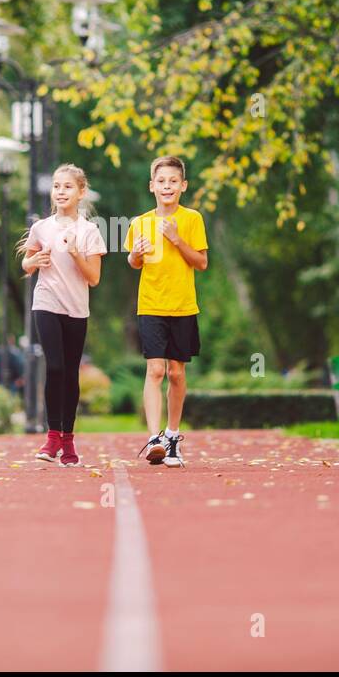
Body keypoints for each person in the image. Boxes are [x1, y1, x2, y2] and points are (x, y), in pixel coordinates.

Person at [20, 163, 108, 467]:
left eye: (67, 186)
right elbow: (26, 264)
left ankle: (68, 439)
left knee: (71, 373)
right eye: (56, 186)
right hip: (46, 303)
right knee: (55, 367)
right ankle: (52, 436)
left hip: (76, 309)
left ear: (81, 192)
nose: (60, 192)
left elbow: (94, 278)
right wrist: (34, 261)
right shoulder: (41, 228)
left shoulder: (89, 231)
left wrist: (74, 253)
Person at [126, 155, 209, 468]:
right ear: (152, 186)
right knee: (155, 371)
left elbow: (201, 262)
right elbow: (134, 262)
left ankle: (173, 436)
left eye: (173, 181)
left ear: (183, 185)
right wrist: (135, 254)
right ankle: (154, 439)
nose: (167, 186)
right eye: (161, 181)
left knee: (176, 372)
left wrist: (176, 239)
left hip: (183, 305)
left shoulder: (192, 219)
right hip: (150, 304)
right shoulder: (140, 223)